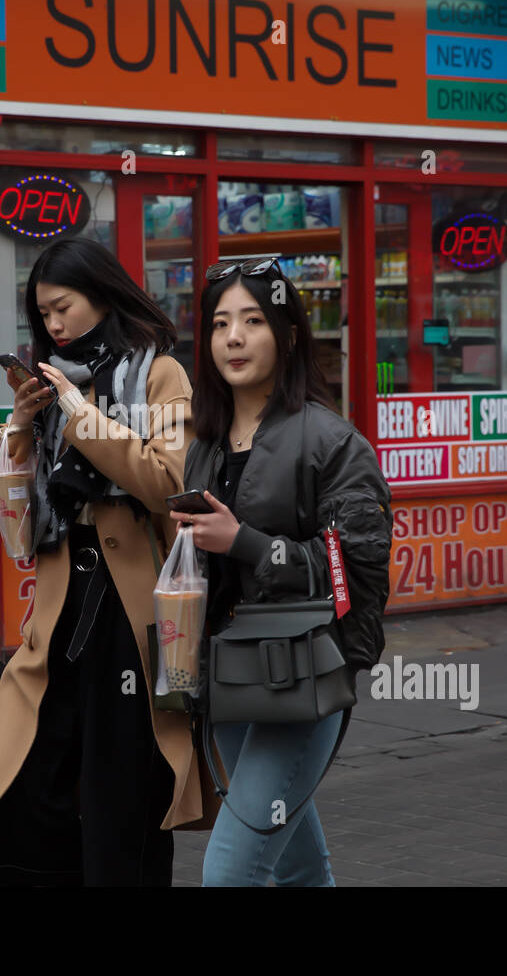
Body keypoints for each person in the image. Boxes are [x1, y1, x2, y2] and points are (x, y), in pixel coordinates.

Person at [0, 237, 219, 886]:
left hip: (133, 623)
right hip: (58, 620)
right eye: (42, 314)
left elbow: (171, 484)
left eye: (63, 308)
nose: (53, 326)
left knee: (122, 805)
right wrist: (22, 429)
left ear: (102, 295)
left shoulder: (160, 373)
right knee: (29, 801)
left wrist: (82, 416)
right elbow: (20, 538)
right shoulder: (55, 383)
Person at [172, 256, 392, 887]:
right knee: (296, 866)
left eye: (251, 321)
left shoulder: (331, 441)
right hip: (227, 678)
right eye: (218, 324)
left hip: (302, 683)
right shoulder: (205, 446)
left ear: (287, 334)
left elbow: (356, 574)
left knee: (229, 871)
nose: (233, 337)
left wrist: (244, 543)